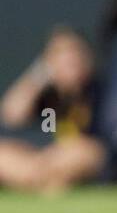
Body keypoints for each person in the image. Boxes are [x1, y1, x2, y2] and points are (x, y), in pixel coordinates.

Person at [0, 28, 105, 193]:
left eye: (73, 54)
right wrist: (38, 75)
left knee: (83, 153)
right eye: (60, 55)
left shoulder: (98, 90)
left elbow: (97, 148)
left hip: (76, 157)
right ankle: (46, 184)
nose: (68, 60)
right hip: (40, 159)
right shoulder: (46, 92)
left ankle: (43, 184)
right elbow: (12, 114)